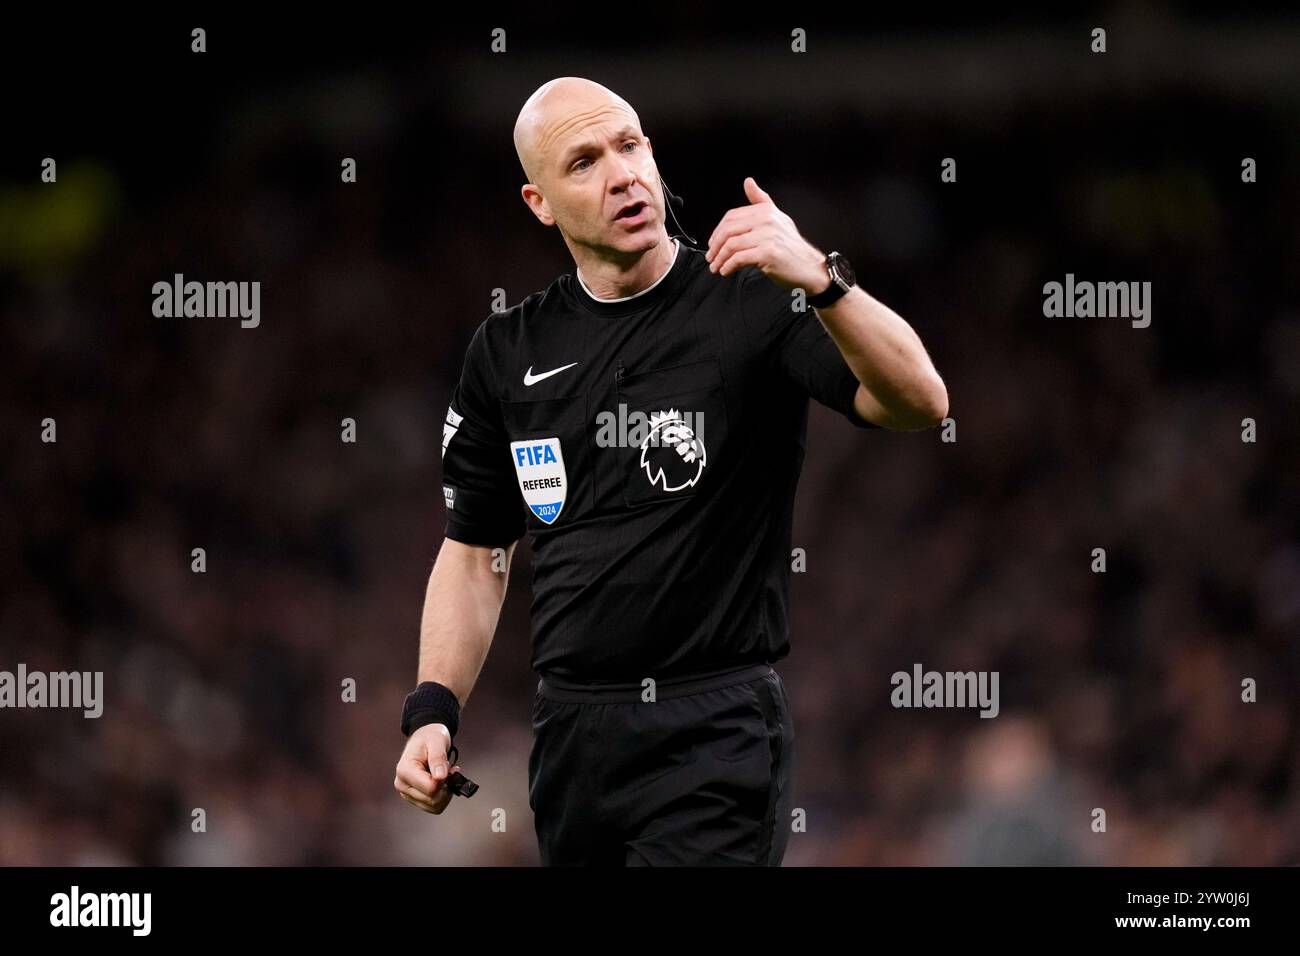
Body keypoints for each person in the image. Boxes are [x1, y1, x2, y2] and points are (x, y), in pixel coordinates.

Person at [394, 76, 948, 865]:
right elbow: (477, 552)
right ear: (539, 202)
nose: (622, 173)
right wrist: (432, 709)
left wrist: (824, 278)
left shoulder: (751, 302)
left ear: (651, 153)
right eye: (584, 161)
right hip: (572, 743)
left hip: (712, 734)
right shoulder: (508, 351)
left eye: (629, 145)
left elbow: (920, 400)